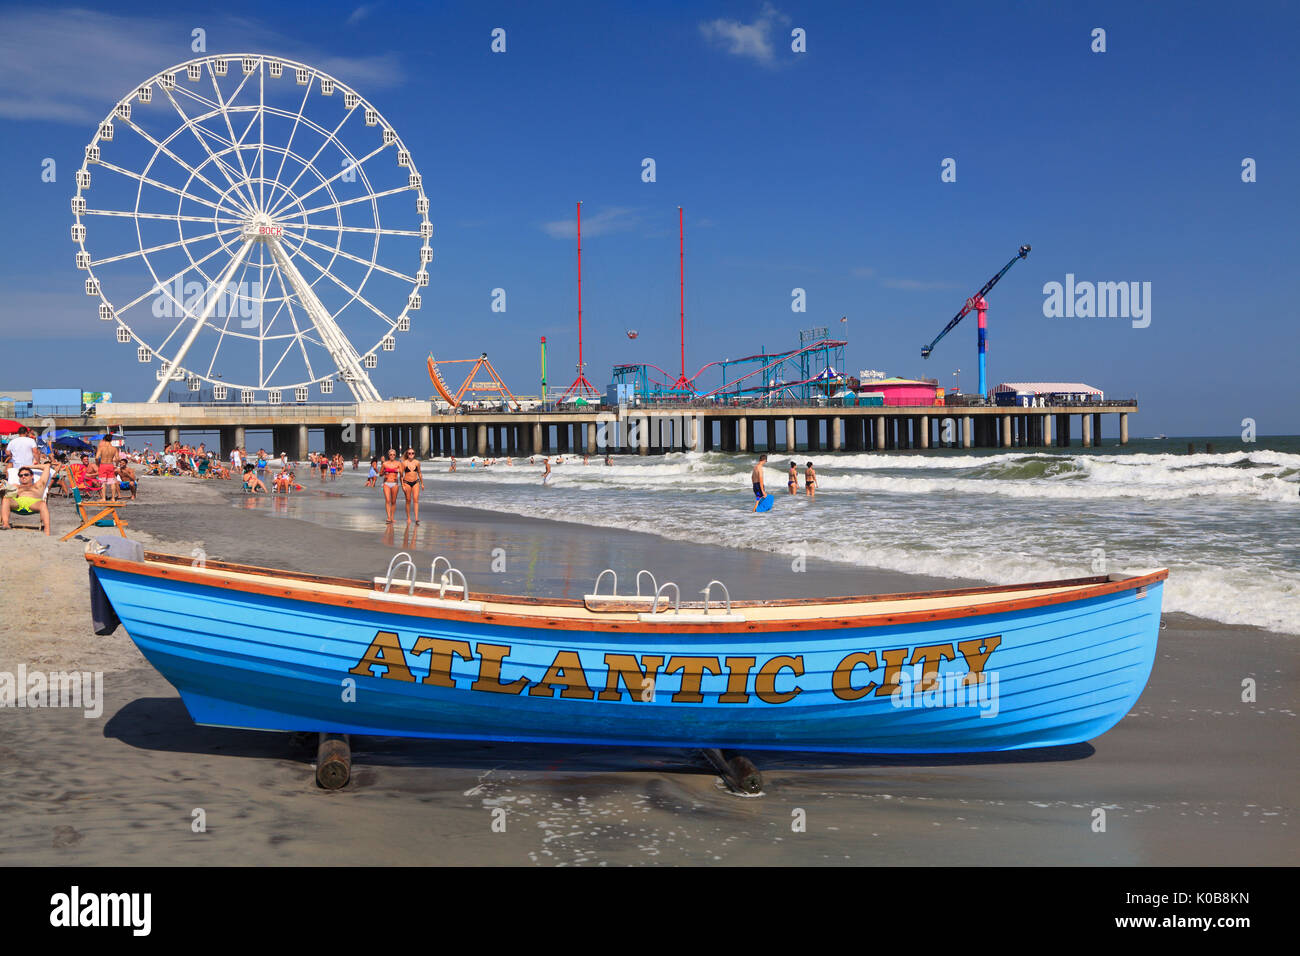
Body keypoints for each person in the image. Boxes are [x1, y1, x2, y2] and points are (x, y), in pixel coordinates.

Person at [2, 462, 52, 534]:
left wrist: (28, 466)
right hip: (18, 502)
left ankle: (47, 531)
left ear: (32, 476)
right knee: (6, 499)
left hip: (34, 503)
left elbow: (47, 466)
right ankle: (6, 524)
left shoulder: (39, 484)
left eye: (26, 474)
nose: (23, 476)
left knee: (43, 504)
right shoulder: (15, 486)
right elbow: (6, 491)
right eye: (21, 475)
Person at [400, 447, 423, 524]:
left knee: (416, 499)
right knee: (408, 500)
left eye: (412, 453)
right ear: (407, 454)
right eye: (409, 453)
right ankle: (409, 518)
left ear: (414, 454)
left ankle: (416, 518)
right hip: (407, 482)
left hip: (416, 482)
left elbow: (419, 472)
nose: (411, 454)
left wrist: (422, 483)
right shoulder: (404, 463)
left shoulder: (417, 462)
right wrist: (402, 485)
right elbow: (401, 475)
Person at [95, 435, 120, 502]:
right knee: (112, 482)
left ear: (104, 439)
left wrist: (97, 464)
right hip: (110, 465)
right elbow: (118, 459)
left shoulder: (101, 447)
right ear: (111, 440)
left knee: (103, 482)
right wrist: (116, 465)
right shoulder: (114, 448)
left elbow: (97, 457)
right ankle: (113, 498)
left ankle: (103, 498)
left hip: (103, 465)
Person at [379, 448, 401, 523]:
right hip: (386, 483)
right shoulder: (385, 464)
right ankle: (388, 517)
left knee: (393, 501)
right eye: (391, 454)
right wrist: (384, 473)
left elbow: (402, 474)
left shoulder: (398, 463)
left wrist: (399, 471)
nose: (392, 456)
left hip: (395, 483)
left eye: (394, 454)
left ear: (395, 455)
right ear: (388, 455)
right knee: (388, 500)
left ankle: (392, 517)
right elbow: (380, 474)